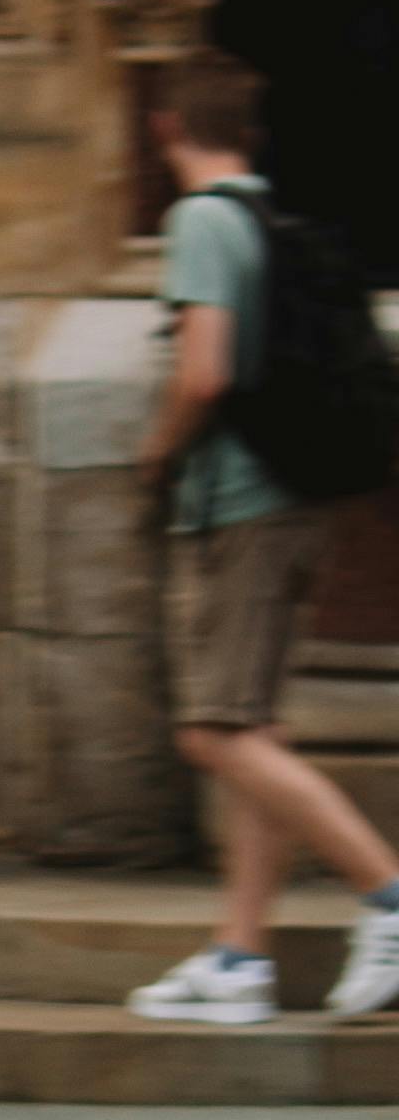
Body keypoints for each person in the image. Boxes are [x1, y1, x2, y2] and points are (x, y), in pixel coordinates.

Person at [125, 50, 399, 1028]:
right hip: (292, 500)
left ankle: (387, 895)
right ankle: (239, 957)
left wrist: (154, 459)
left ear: (166, 129)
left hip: (236, 504)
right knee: (255, 729)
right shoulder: (271, 219)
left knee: (213, 729)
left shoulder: (201, 220)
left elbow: (202, 372)